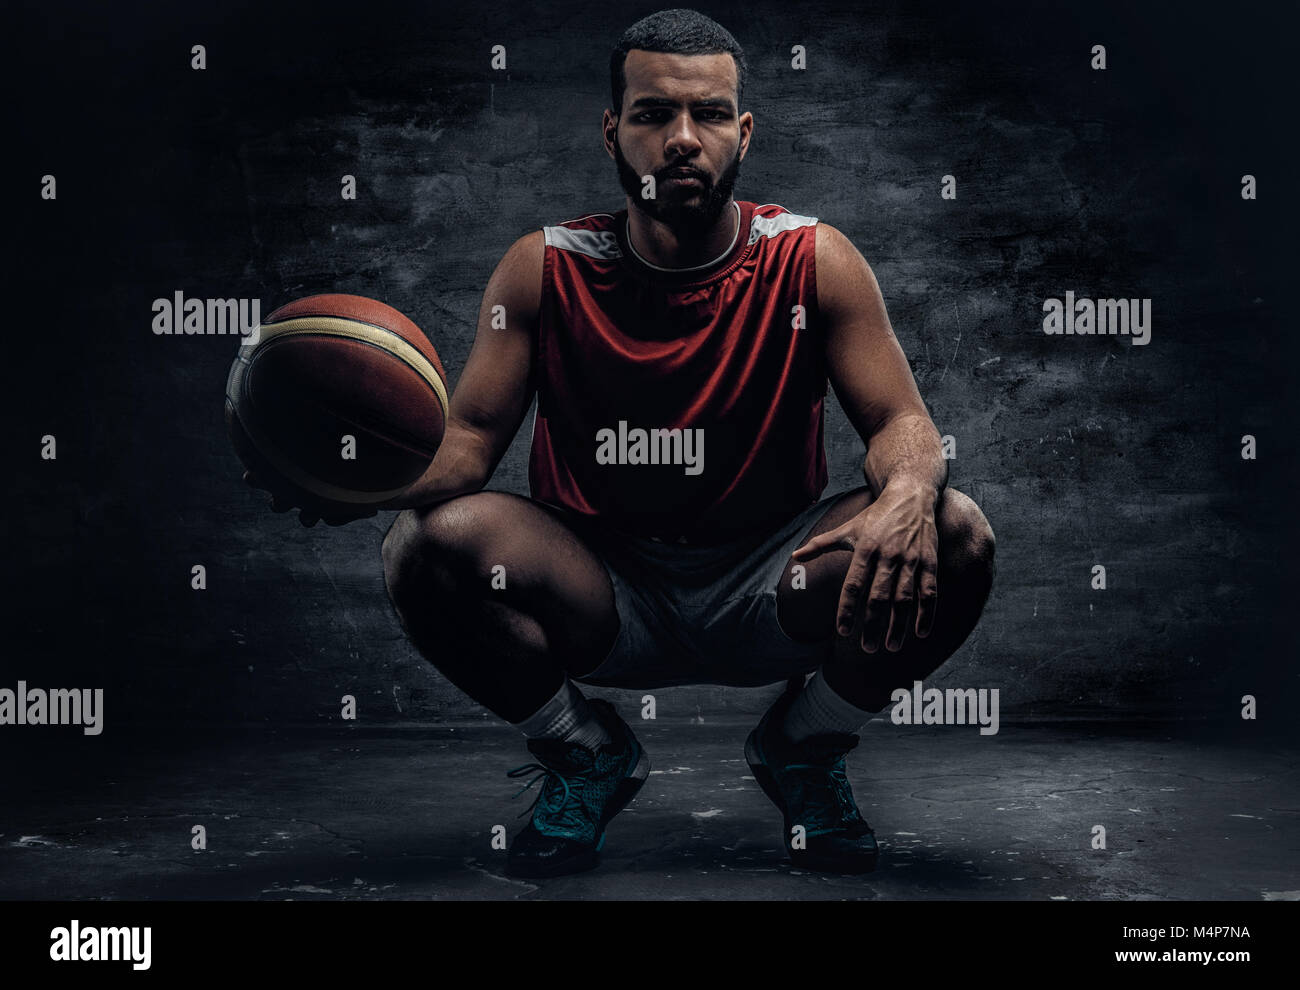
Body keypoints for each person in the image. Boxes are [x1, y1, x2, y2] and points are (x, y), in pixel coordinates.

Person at [249, 8, 995, 879]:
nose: (683, 139)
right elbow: (469, 446)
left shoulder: (814, 260)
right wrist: (353, 485)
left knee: (955, 532)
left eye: (710, 114)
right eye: (652, 115)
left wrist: (907, 493)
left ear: (744, 132)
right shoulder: (544, 267)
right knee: (423, 547)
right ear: (614, 130)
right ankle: (585, 752)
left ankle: (805, 744)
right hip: (604, 587)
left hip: (772, 581)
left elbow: (902, 424)